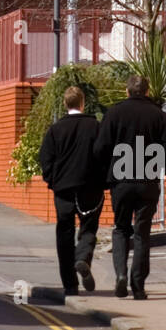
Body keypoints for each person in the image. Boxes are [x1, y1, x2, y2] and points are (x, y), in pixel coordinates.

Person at [94, 74, 166, 299]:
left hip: (121, 181)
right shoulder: (159, 115)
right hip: (147, 181)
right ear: (147, 92)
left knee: (120, 228)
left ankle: (120, 275)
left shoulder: (114, 113)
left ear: (127, 91)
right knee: (142, 233)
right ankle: (138, 286)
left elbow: (100, 148)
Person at [38, 85, 106, 296]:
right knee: (88, 228)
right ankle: (82, 258)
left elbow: (45, 159)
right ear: (82, 103)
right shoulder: (95, 126)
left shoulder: (55, 130)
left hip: (64, 189)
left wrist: (53, 181)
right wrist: (102, 180)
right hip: (90, 187)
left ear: (65, 104)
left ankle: (70, 285)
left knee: (64, 233)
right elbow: (103, 155)